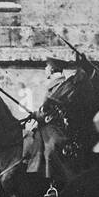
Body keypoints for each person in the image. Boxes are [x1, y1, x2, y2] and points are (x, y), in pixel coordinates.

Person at [21, 56, 77, 189]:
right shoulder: (54, 84)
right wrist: (36, 113)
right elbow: (45, 109)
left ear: (52, 69)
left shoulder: (62, 86)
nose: (45, 69)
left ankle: (53, 184)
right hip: (48, 125)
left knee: (50, 148)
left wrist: (39, 114)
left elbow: (52, 110)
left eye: (46, 67)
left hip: (58, 127)